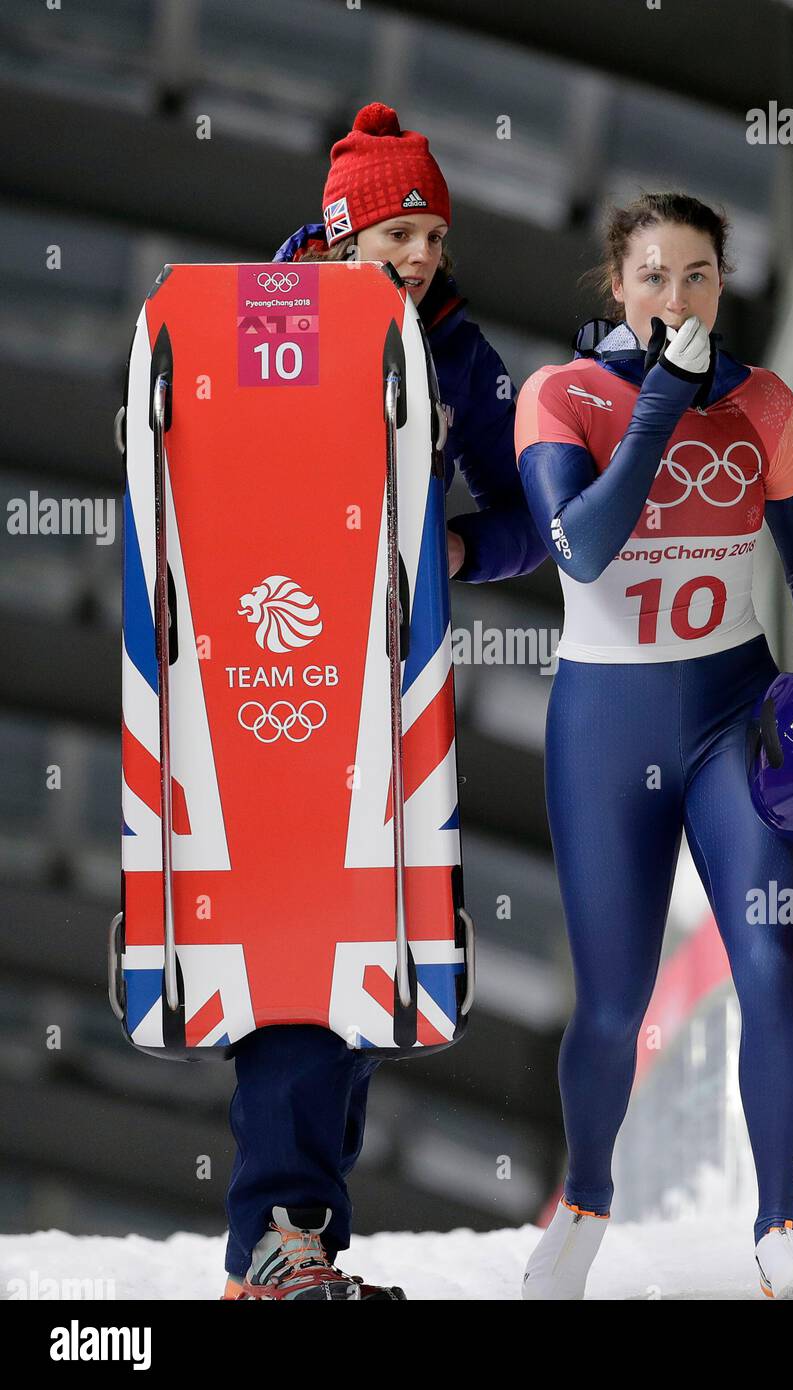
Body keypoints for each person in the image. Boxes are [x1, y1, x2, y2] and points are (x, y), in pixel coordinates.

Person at [221, 102, 546, 1301]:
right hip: (265, 688)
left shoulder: (455, 350)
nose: (420, 258)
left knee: (372, 951)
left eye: (433, 237)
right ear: (342, 230)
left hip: (390, 688)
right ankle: (273, 1238)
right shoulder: (253, 325)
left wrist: (460, 552)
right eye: (398, 233)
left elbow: (532, 515)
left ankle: (301, 1241)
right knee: (298, 949)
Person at [515, 192, 793, 1300]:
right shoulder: (559, 396)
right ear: (616, 287)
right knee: (613, 1002)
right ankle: (587, 1191)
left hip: (733, 717)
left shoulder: (761, 401)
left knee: (767, 958)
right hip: (604, 728)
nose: (677, 297)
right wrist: (660, 406)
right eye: (655, 276)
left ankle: (778, 1228)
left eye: (698, 275)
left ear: (721, 284)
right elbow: (579, 547)